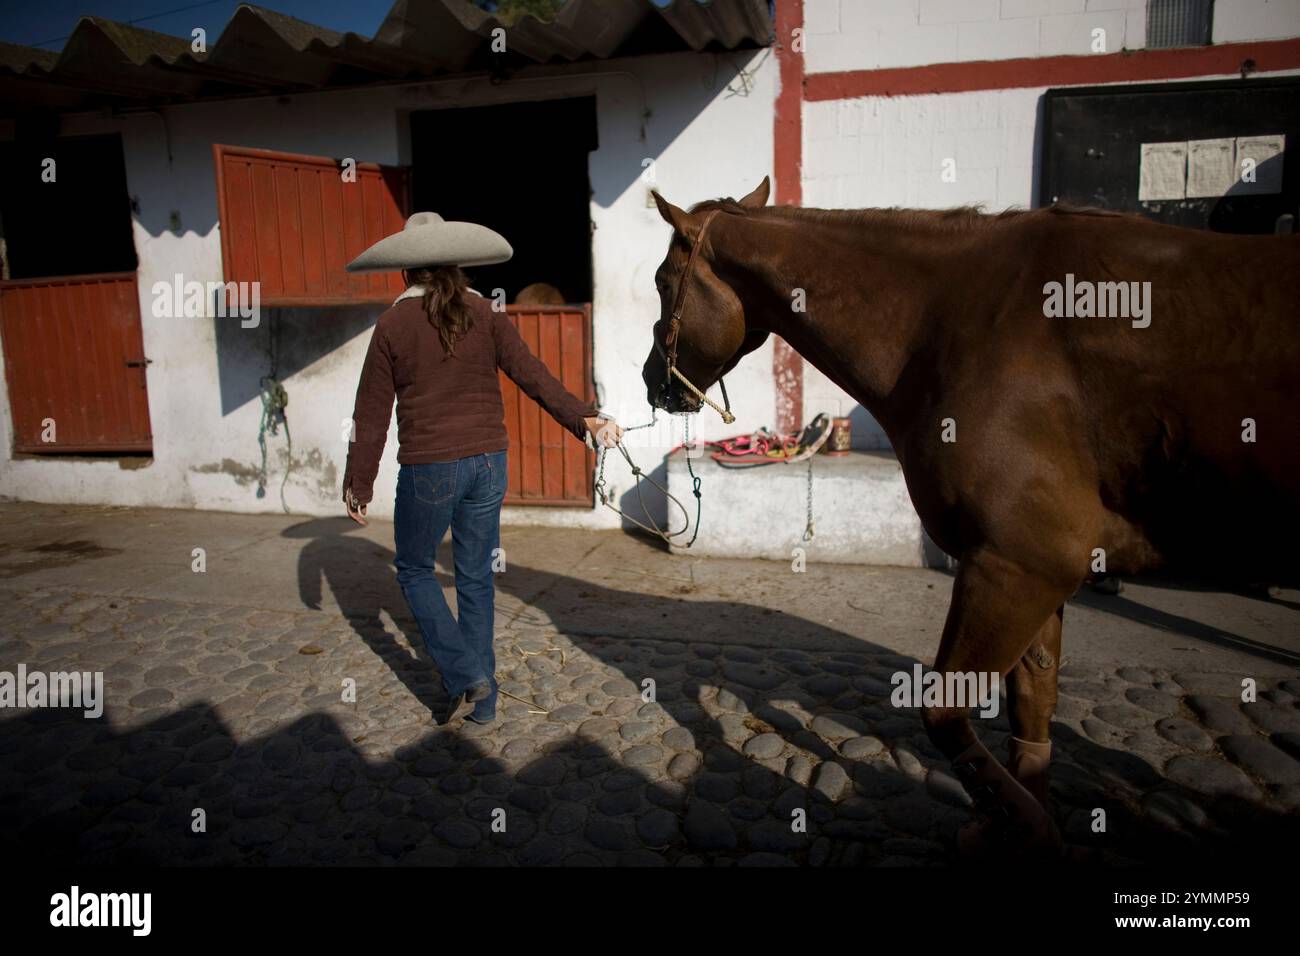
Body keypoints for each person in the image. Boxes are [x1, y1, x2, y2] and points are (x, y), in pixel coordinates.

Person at [340, 211, 622, 726]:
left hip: (430, 469)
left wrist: (359, 481)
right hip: (490, 465)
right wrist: (585, 421)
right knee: (475, 579)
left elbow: (370, 413)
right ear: (452, 262)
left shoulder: (392, 324)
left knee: (414, 570)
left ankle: (466, 672)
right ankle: (484, 698)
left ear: (405, 271)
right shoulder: (485, 312)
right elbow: (533, 375)